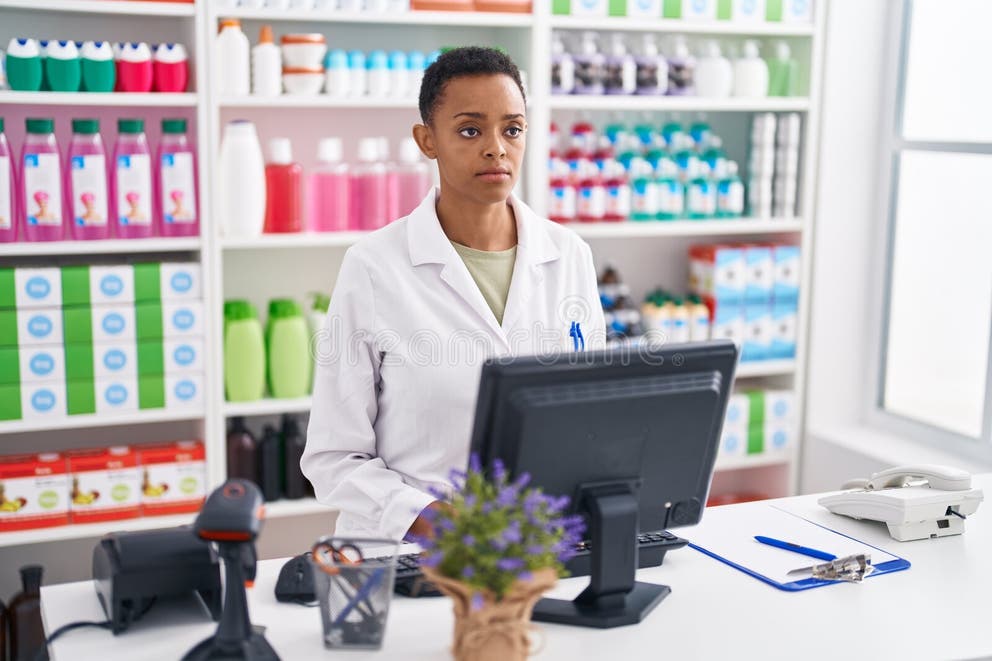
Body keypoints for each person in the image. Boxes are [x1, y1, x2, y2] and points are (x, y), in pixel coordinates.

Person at [302, 47, 605, 541]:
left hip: (539, 546)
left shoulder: (569, 254)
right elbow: (333, 458)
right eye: (470, 130)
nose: (496, 148)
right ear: (427, 140)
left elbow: (590, 419)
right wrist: (439, 523)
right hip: (415, 558)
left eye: (512, 129)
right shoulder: (374, 267)